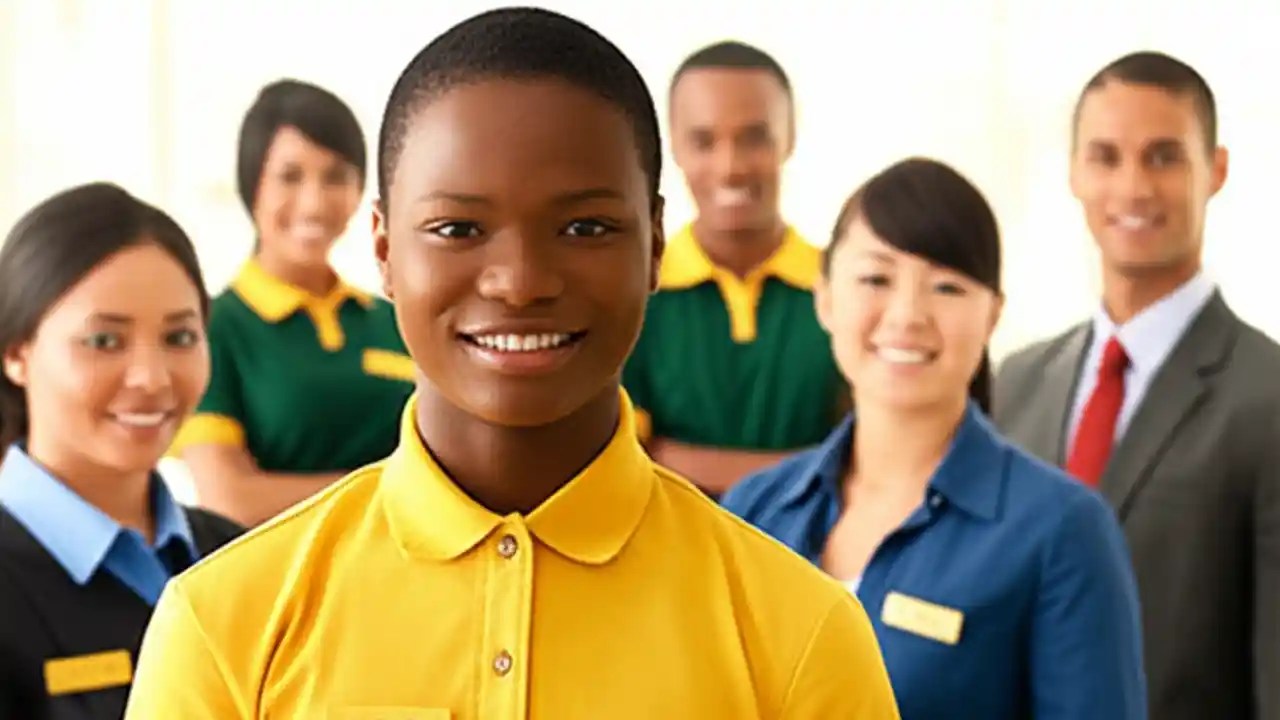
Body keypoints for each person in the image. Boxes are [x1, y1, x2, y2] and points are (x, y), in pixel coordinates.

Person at [122, 8, 899, 719]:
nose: (520, 282)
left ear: (655, 243)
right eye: (459, 229)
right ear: (386, 252)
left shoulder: (802, 634)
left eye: (586, 226)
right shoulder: (223, 623)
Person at [723, 158, 1147, 720]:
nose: (907, 315)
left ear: (992, 315)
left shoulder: (1061, 531)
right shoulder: (753, 511)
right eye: (876, 279)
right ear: (824, 297)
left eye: (946, 286)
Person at [993, 51, 1280, 720]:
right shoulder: (1018, 383)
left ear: (1216, 170)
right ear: (1073, 172)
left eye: (1163, 156)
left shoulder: (1269, 398)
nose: (1133, 187)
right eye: (1105, 156)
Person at [0, 183, 243, 719]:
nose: (152, 380)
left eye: (179, 338)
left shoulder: (242, 559)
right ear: (16, 352)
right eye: (104, 341)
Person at [171, 79, 414, 527]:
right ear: (252, 184)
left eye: (336, 176)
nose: (315, 202)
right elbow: (229, 498)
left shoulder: (397, 320)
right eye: (290, 176)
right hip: (280, 585)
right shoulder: (213, 328)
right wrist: (400, 486)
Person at [622, 41, 844, 496]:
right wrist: (811, 465)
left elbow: (872, 464)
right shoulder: (632, 292)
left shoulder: (845, 290)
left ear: (791, 137)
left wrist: (673, 456)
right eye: (704, 141)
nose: (731, 167)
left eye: (754, 137)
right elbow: (619, 464)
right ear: (674, 147)